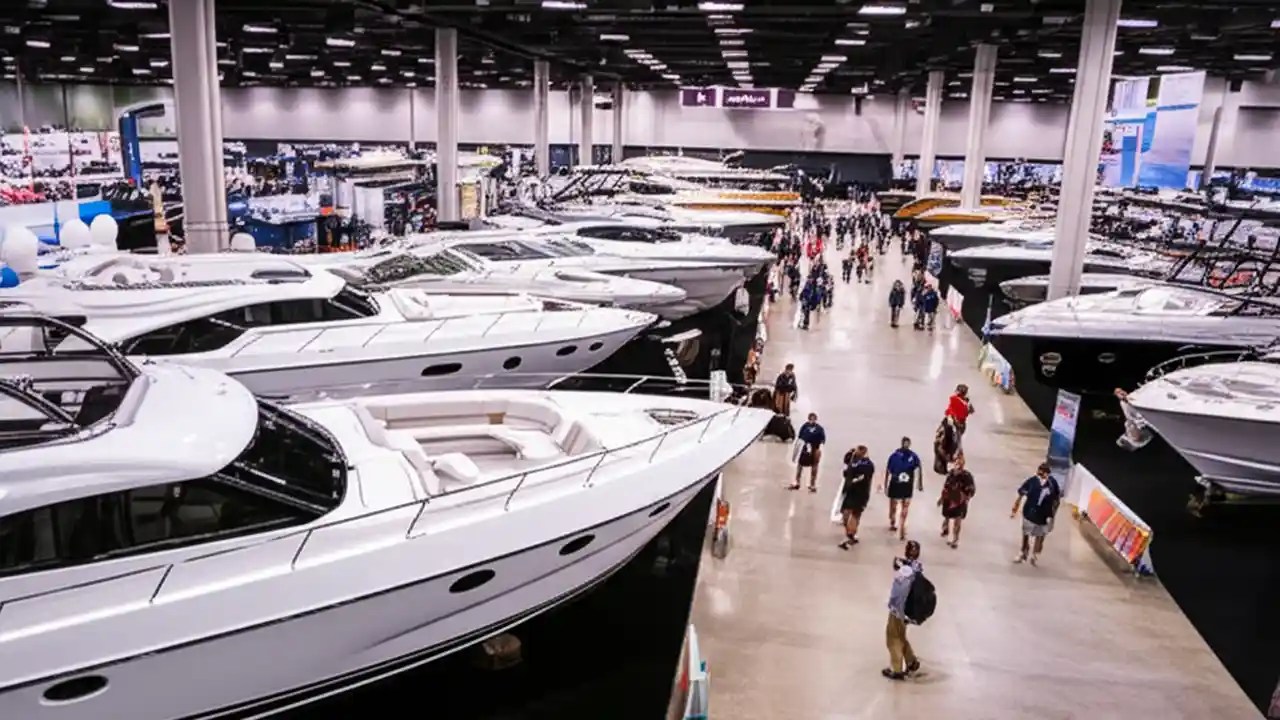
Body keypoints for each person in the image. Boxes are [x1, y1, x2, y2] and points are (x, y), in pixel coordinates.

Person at [884, 540, 923, 680]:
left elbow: (899, 591)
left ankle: (897, 669)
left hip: (899, 609)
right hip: (907, 610)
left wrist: (894, 608)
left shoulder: (906, 571)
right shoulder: (917, 567)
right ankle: (911, 661)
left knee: (892, 638)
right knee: (900, 635)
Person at [1011, 463, 1062, 565]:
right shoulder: (1032, 481)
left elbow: (1057, 499)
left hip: (1044, 514)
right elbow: (1021, 495)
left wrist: (1053, 515)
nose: (1040, 474)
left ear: (1047, 473)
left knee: (1040, 535)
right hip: (1029, 512)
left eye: (1043, 473)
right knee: (1026, 534)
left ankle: (1035, 553)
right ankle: (1023, 552)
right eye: (1039, 472)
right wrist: (1014, 509)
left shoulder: (1052, 484)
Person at [882, 437, 923, 540]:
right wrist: (885, 484)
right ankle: (893, 520)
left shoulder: (912, 456)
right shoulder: (895, 456)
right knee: (894, 505)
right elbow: (888, 470)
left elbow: (919, 468)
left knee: (904, 506)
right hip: (897, 484)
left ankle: (902, 526)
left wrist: (920, 483)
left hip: (904, 485)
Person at [838, 445, 875, 549]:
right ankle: (850, 532)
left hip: (861, 493)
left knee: (855, 514)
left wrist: (854, 480)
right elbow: (846, 473)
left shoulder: (868, 465)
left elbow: (863, 477)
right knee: (845, 514)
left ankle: (851, 534)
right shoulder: (852, 461)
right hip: (850, 491)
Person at [937, 454, 975, 549]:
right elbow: (946, 487)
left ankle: (955, 539)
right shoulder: (950, 474)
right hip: (949, 499)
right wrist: (941, 499)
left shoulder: (967, 475)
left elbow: (971, 489)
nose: (958, 463)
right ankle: (946, 528)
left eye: (960, 461)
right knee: (947, 516)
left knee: (958, 520)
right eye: (957, 461)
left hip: (960, 500)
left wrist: (967, 499)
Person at [790, 413, 826, 492]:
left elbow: (823, 440)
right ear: (808, 419)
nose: (812, 420)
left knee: (815, 465)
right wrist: (797, 450)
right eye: (811, 418)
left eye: (814, 418)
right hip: (805, 447)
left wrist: (819, 449)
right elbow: (800, 438)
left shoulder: (819, 428)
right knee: (800, 465)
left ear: (816, 419)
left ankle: (812, 484)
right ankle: (797, 481)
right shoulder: (804, 426)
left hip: (815, 448)